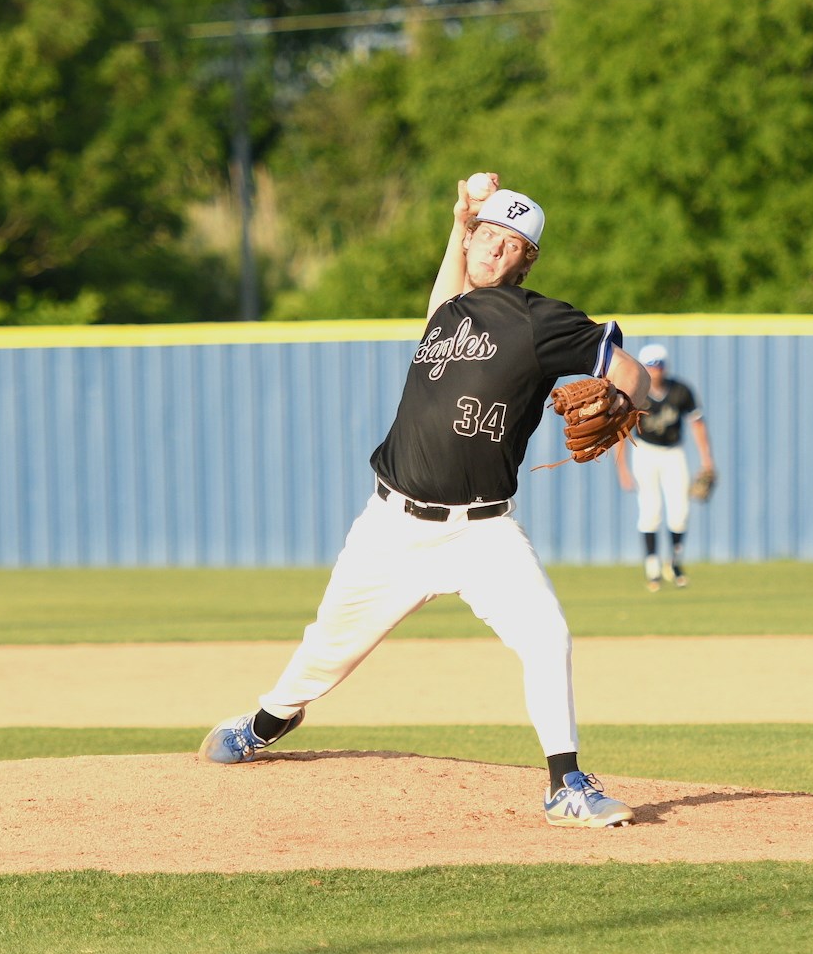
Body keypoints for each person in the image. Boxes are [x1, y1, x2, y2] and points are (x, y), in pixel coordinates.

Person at [198, 174, 653, 829]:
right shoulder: (449, 313)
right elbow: (453, 271)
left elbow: (627, 367)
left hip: (483, 533)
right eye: (488, 237)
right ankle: (268, 723)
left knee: (548, 635)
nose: (494, 250)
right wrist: (461, 219)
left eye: (510, 244)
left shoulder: (541, 320)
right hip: (393, 527)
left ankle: (566, 784)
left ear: (527, 260)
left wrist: (627, 397)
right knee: (328, 646)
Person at [613, 343, 714, 591]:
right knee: (650, 510)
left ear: (665, 366)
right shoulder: (637, 391)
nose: (655, 370)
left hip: (673, 452)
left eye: (658, 365)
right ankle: (652, 568)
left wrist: (707, 459)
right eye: (650, 365)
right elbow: (622, 429)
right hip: (645, 452)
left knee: (680, 511)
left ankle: (675, 562)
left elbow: (697, 425)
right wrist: (622, 468)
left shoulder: (681, 391)